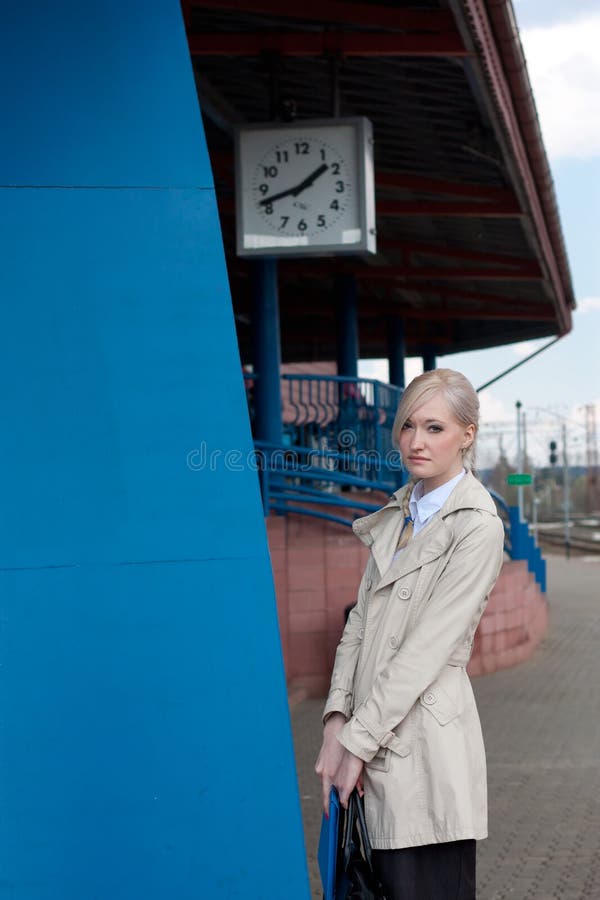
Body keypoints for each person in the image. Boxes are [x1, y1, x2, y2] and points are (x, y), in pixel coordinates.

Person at [315, 369, 505, 899]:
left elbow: (426, 650)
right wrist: (335, 720)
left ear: (467, 434)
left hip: (424, 756)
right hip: (367, 739)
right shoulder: (400, 515)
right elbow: (357, 626)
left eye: (435, 428)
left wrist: (355, 741)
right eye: (408, 427)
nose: (415, 442)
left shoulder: (477, 525)